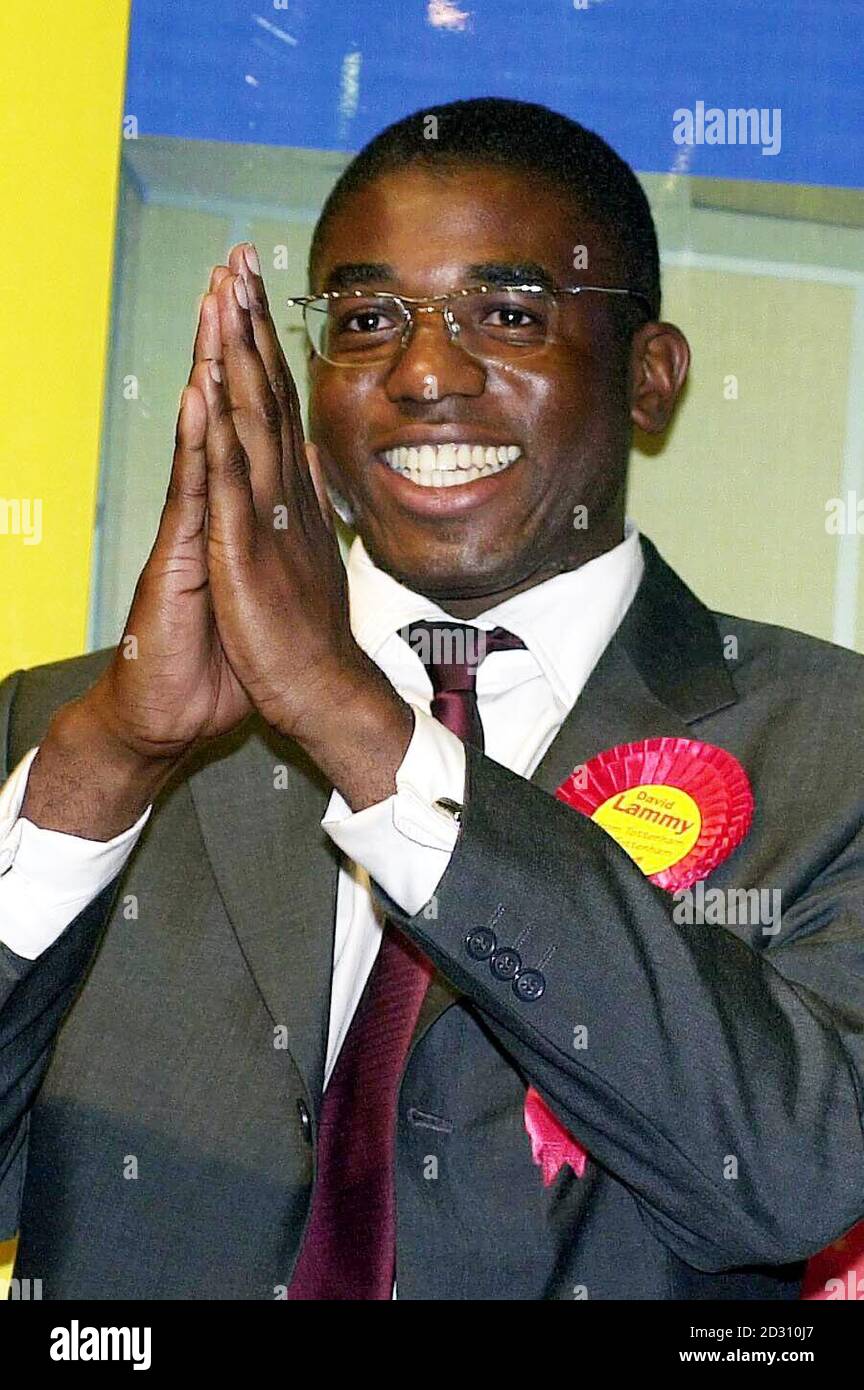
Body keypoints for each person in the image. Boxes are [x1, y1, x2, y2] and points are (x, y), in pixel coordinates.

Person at [2, 96, 863, 1301]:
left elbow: (793, 1177)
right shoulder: (65, 736)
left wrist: (357, 720)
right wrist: (102, 765)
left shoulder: (837, 750)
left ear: (651, 377)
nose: (422, 373)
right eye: (365, 320)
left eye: (508, 314)